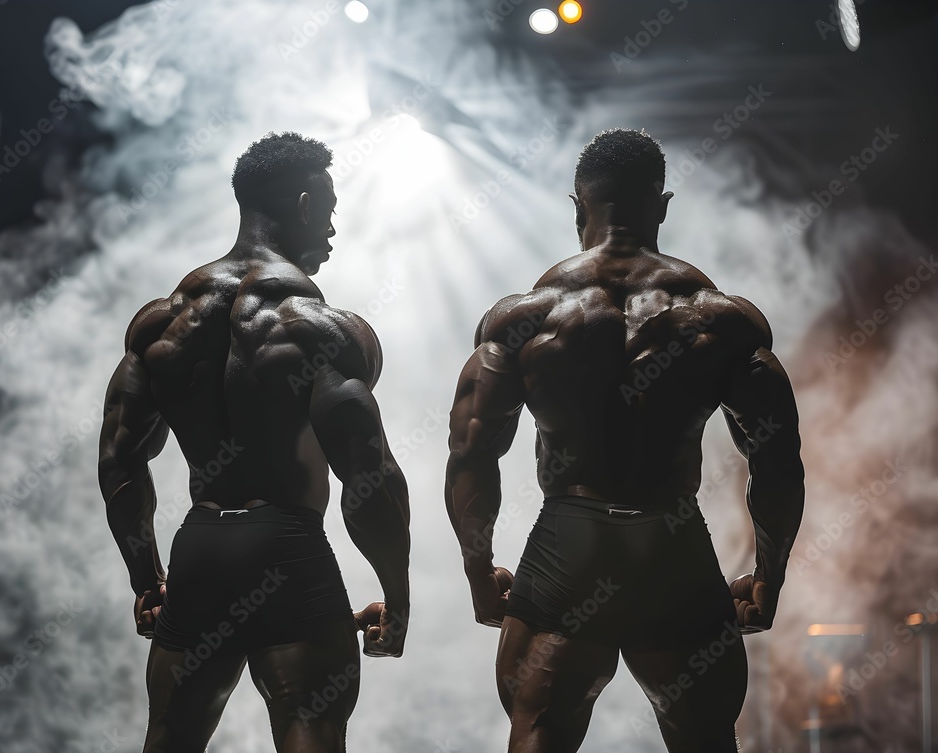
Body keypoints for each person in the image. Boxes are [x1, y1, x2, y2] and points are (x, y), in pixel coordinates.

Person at [445, 128, 804, 753]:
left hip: (569, 546)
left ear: (578, 206)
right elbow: (776, 461)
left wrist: (480, 573)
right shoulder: (719, 318)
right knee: (706, 740)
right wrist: (769, 577)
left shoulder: (525, 317)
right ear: (661, 206)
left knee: (539, 734)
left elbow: (473, 454)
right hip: (670, 546)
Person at [97, 131, 410, 753]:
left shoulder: (161, 323)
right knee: (310, 734)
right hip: (287, 549)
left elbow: (121, 462)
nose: (331, 229)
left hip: (201, 550)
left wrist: (148, 580)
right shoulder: (322, 329)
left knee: (169, 740)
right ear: (301, 203)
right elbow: (367, 472)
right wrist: (396, 597)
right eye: (327, 209)